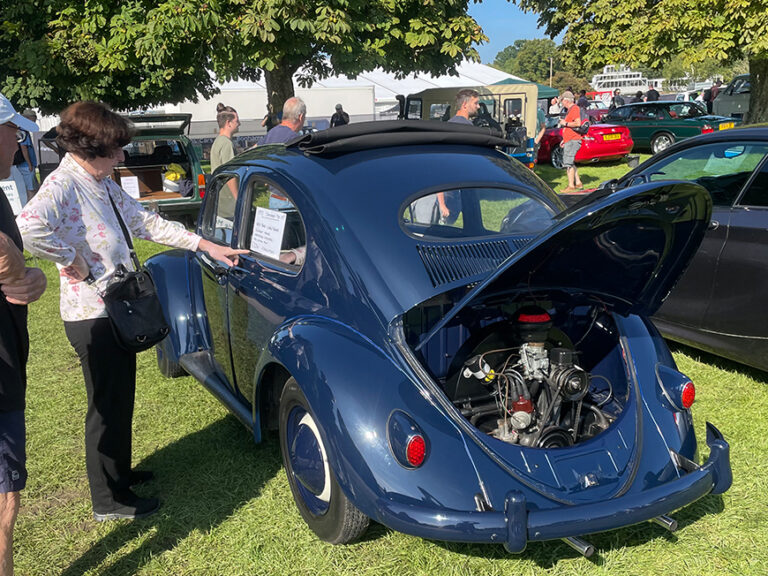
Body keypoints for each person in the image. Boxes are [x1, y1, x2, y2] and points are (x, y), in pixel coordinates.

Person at [16, 101, 246, 523]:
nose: (123, 156)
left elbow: (144, 222)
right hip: (92, 314)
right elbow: (29, 226)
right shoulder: (64, 183)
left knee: (120, 398)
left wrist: (205, 244)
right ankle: (108, 500)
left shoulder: (98, 180)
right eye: (116, 149)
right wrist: (71, 258)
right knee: (105, 404)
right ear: (90, 147)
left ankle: (118, 474)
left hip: (114, 308)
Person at [0, 92, 47, 576]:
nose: (18, 140)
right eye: (10, 130)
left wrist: (26, 275)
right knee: (4, 497)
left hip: (10, 359)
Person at [558, 91, 584, 193]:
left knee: (568, 163)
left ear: (566, 100)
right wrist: (564, 139)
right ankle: (578, 183)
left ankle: (571, 186)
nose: (562, 103)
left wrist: (565, 123)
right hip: (570, 139)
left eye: (562, 101)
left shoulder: (574, 109)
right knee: (571, 162)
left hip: (573, 140)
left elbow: (577, 123)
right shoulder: (571, 109)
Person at [11, 109, 38, 205]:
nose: (35, 120)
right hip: (26, 165)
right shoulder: (22, 132)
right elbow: (24, 148)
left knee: (32, 188)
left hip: (24, 165)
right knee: (31, 190)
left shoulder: (21, 130)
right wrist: (30, 164)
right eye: (33, 118)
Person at [209, 103, 240, 172]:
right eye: (237, 121)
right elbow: (230, 174)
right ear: (228, 123)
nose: (239, 124)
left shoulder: (219, 140)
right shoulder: (226, 143)